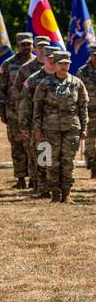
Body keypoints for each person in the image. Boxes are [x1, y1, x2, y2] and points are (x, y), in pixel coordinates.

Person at [31, 50, 89, 202]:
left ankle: (67, 193)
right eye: (61, 63)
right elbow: (38, 108)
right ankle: (55, 194)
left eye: (67, 64)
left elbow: (82, 107)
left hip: (72, 128)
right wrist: (37, 129)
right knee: (51, 161)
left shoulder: (77, 83)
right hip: (50, 129)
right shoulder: (44, 83)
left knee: (68, 161)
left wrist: (84, 128)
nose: (64, 66)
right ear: (55, 65)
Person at [17, 43, 59, 197]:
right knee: (42, 157)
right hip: (39, 126)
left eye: (56, 60)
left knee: (58, 158)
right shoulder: (33, 80)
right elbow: (24, 105)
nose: (53, 62)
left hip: (59, 126)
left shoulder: (63, 78)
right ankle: (42, 188)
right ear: (45, 58)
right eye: (51, 59)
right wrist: (25, 127)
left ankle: (56, 186)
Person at [0, 33, 34, 188]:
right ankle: (21, 178)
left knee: (31, 146)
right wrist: (2, 112)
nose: (26, 47)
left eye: (29, 44)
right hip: (13, 112)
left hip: (31, 113)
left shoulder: (39, 63)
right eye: (23, 44)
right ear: (17, 45)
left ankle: (34, 178)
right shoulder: (8, 64)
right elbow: (0, 89)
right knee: (17, 146)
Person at [77, 47, 96, 178]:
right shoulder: (82, 72)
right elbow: (77, 94)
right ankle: (93, 168)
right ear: (91, 56)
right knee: (90, 143)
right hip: (89, 114)